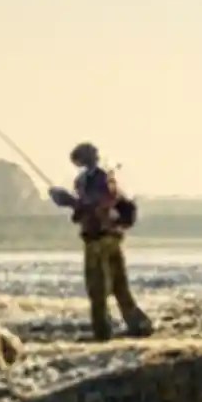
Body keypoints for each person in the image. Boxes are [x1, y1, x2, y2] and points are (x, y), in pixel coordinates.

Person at [47, 142, 153, 341]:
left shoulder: (97, 178)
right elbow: (83, 212)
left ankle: (102, 333)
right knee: (120, 287)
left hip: (98, 241)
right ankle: (139, 326)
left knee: (97, 290)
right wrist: (68, 202)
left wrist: (69, 201)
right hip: (112, 237)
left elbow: (98, 204)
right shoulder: (99, 178)